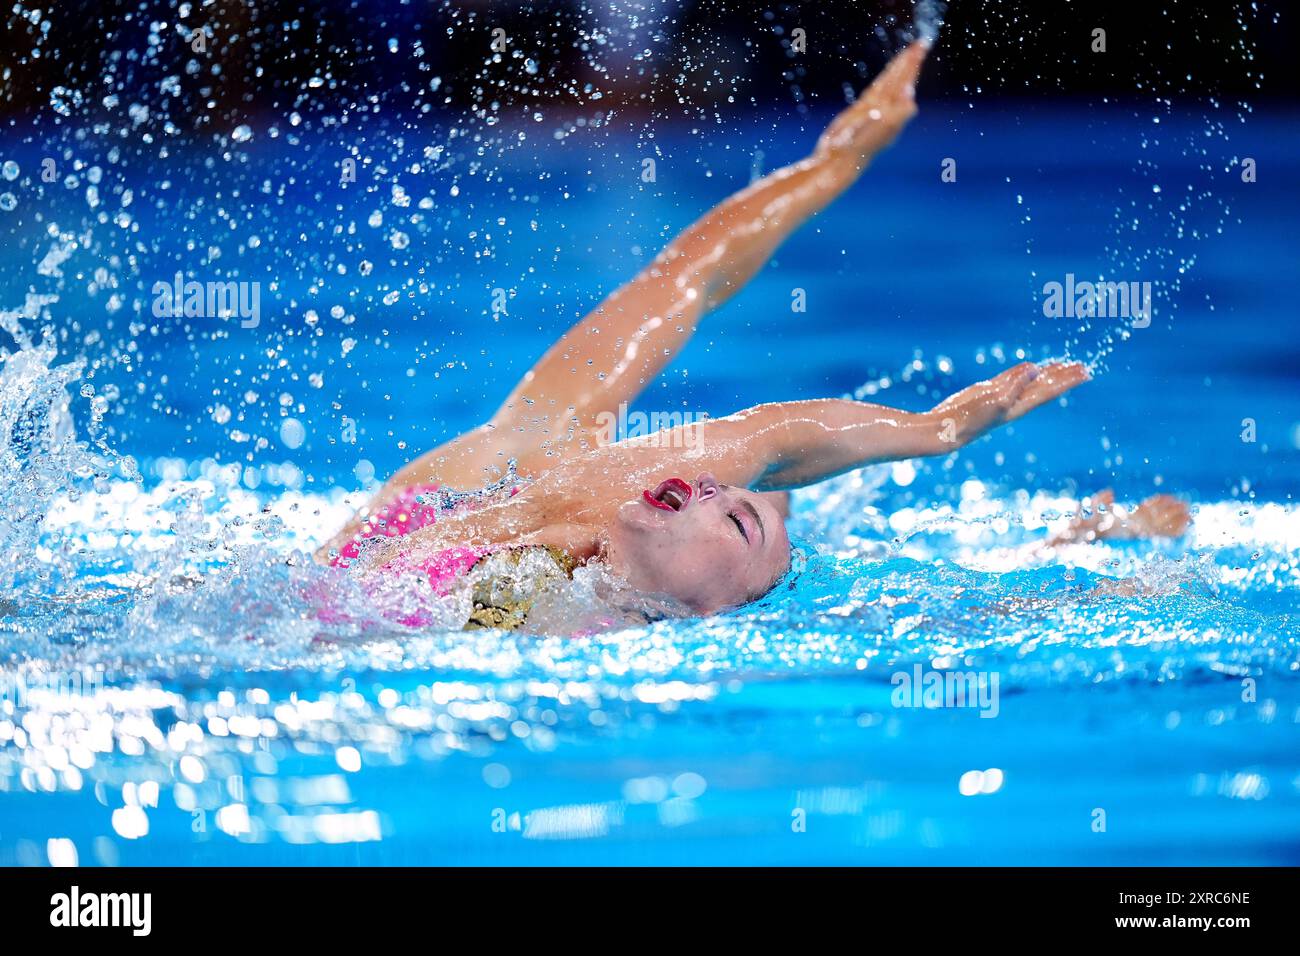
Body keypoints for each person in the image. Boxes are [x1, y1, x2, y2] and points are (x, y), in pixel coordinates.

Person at [316, 42, 1153, 630]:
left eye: (739, 520)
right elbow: (685, 282)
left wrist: (1076, 562)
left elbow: (936, 619)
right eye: (727, 486)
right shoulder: (523, 463)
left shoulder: (621, 640)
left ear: (709, 617)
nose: (712, 487)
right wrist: (829, 168)